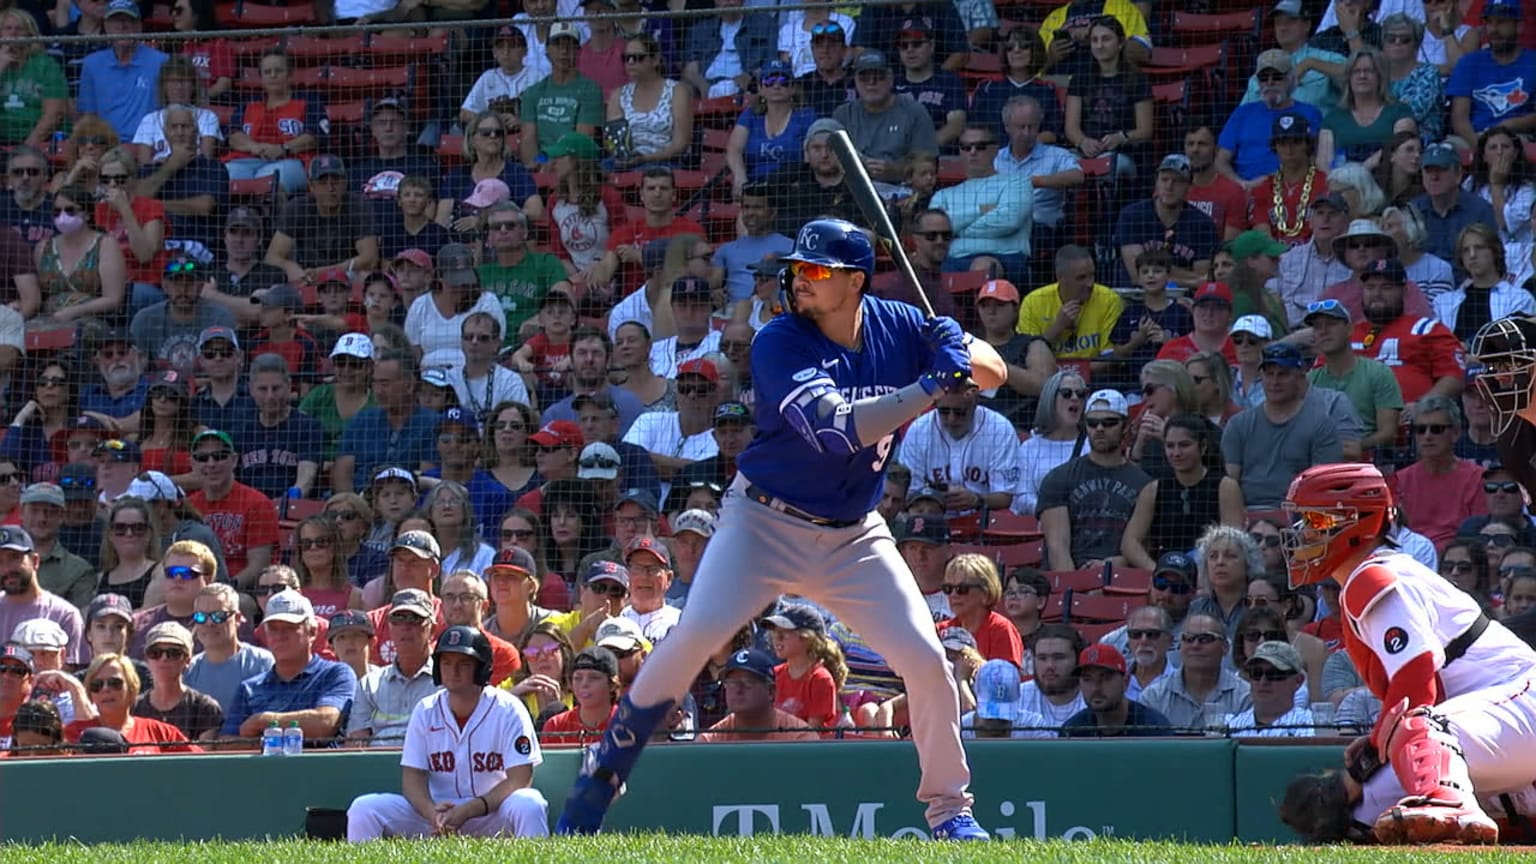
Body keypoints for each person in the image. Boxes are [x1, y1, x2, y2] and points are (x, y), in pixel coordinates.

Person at [555, 218, 1002, 839]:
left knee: (927, 660)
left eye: (815, 272)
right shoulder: (779, 341)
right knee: (693, 637)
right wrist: (931, 383)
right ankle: (605, 773)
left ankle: (951, 810)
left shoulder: (899, 325)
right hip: (763, 520)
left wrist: (959, 347)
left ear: (855, 281)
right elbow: (836, 429)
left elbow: (995, 372)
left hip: (854, 534)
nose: (799, 280)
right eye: (796, 269)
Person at [1280, 462, 1536, 843]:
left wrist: (1364, 764)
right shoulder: (1366, 578)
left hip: (1521, 701)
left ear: (1355, 523)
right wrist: (1371, 756)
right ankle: (1507, 815)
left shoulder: (1375, 575)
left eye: (1314, 520)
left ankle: (1451, 805)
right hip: (1493, 734)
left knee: (1420, 727)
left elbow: (1418, 687)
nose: (1302, 534)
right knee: (1361, 818)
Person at [346, 625, 549, 840]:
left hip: (491, 812)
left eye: (464, 663)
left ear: (482, 669)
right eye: (446, 662)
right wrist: (430, 812)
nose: (453, 670)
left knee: (530, 803)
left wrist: (470, 809)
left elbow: (520, 779)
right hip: (437, 814)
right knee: (364, 808)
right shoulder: (425, 710)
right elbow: (412, 777)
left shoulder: (509, 709)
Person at [1222, 343, 1364, 508]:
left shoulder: (1321, 425)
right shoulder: (1238, 424)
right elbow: (1229, 482)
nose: (1275, 381)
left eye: (1283, 375)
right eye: (1269, 374)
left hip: (1298, 514)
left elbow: (1322, 487)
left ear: (1300, 375)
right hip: (1246, 514)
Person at [1038, 389, 1149, 571]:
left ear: (1126, 426)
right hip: (1071, 577)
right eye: (1092, 423)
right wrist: (1076, 588)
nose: (1099, 429)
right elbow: (1058, 548)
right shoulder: (1059, 477)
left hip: (1122, 577)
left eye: (1109, 423)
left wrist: (1117, 564)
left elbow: (1146, 546)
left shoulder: (1144, 484)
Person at [223, 49, 325, 195]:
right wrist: (254, 147)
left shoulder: (308, 101)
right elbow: (233, 135)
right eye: (267, 72)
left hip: (291, 160)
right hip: (246, 159)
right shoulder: (250, 102)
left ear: (290, 75)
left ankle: (273, 218)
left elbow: (314, 137)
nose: (273, 75)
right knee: (226, 177)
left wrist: (283, 148)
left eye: (278, 71)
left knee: (270, 182)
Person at [186, 430, 277, 590]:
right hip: (195, 587)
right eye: (202, 458)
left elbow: (259, 565)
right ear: (193, 464)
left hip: (242, 590)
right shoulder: (189, 505)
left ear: (234, 460)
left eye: (220, 456)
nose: (211, 464)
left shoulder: (257, 503)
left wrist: (224, 589)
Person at [1138, 613, 1252, 732]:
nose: (1195, 645)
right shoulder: (1153, 698)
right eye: (1188, 639)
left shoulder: (1245, 697)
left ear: (1225, 647)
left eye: (1205, 639)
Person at [1446, 0, 1536, 148]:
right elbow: (1459, 119)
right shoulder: (1469, 63)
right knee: (1444, 150)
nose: (1494, 29)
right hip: (1473, 137)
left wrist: (1511, 125)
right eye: (1489, 22)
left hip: (1517, 138)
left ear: (1519, 26)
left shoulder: (1533, 62)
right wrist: (1482, 149)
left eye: (1501, 22)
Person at [76, 0, 168, 141]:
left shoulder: (160, 62)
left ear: (139, 26)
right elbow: (89, 115)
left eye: (128, 20)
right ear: (106, 26)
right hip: (106, 145)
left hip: (149, 144)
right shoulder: (92, 64)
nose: (122, 26)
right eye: (115, 21)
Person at [696, 647, 820, 743]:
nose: (738, 689)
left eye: (748, 683)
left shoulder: (799, 738)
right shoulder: (711, 741)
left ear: (771, 691)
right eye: (732, 683)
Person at [184, 582, 273, 713]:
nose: (209, 623)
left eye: (218, 616)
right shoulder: (189, 669)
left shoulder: (261, 663)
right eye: (201, 617)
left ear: (237, 618)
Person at [132, 621, 223, 740]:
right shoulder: (133, 707)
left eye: (174, 653)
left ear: (188, 660)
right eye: (155, 653)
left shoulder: (205, 708)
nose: (164, 658)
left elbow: (202, 756)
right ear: (146, 659)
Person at [1059, 644, 1174, 737]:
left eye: (1105, 678)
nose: (1096, 687)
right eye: (1087, 679)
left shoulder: (1153, 729)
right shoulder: (1072, 731)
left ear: (1126, 681)